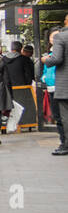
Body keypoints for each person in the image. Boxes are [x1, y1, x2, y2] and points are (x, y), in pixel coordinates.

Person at [40, 19, 68, 156]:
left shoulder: (61, 40)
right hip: (54, 86)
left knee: (63, 117)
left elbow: (56, 60)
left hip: (62, 86)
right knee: (60, 117)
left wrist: (46, 60)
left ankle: (65, 144)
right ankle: (64, 142)